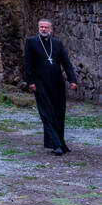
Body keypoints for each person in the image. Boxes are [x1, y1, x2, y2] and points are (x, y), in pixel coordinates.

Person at [24, 18, 77, 155]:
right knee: (46, 114)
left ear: (51, 29)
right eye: (41, 27)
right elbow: (27, 64)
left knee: (59, 113)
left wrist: (72, 79)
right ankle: (56, 144)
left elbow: (66, 62)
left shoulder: (57, 43)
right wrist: (31, 82)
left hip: (57, 84)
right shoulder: (31, 42)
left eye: (46, 27)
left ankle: (60, 143)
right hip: (40, 83)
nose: (43, 29)